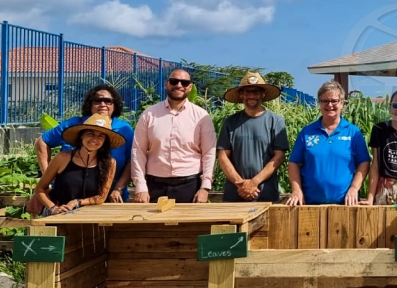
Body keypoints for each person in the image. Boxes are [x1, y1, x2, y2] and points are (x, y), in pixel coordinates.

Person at [131, 69, 217, 204]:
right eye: (174, 81)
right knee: (152, 225)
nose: (179, 85)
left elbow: (209, 153)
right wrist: (140, 186)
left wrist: (205, 188)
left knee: (188, 226)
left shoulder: (201, 116)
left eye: (184, 82)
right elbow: (138, 151)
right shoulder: (149, 114)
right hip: (154, 186)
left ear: (190, 87)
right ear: (166, 84)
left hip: (190, 186)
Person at [36, 84, 133, 202]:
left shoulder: (124, 129)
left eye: (108, 101)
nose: (103, 104)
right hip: (67, 197)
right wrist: (48, 177)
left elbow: (131, 161)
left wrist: (119, 188)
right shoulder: (74, 124)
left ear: (114, 105)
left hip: (110, 196)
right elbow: (42, 141)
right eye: (98, 100)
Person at [287, 81, 370, 205]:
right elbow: (294, 163)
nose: (329, 105)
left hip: (345, 205)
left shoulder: (353, 132)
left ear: (342, 103)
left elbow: (364, 162)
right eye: (324, 101)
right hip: (310, 205)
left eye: (334, 101)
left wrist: (354, 188)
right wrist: (296, 190)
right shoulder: (307, 132)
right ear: (319, 103)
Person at [217, 72, 289, 203]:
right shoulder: (230, 122)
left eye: (255, 92)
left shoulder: (276, 121)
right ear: (241, 95)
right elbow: (223, 156)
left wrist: (254, 182)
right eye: (247, 92)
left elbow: (279, 157)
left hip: (265, 194)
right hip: (235, 194)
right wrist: (241, 184)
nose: (251, 96)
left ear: (263, 94)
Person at [30, 114, 122, 216]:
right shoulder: (62, 158)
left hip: (91, 216)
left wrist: (76, 202)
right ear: (81, 135)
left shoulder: (109, 163)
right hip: (59, 214)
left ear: (105, 141)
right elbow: (40, 189)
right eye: (90, 134)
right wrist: (53, 208)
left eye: (100, 136)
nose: (95, 139)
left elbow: (101, 197)